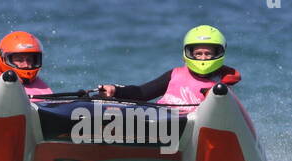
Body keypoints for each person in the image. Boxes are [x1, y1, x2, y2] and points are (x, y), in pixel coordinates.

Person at [99, 25, 241, 105]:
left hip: (195, 129)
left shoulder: (223, 86)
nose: (203, 58)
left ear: (219, 53)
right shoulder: (175, 75)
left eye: (208, 53)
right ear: (188, 53)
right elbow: (142, 93)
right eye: (198, 53)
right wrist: (115, 90)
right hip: (163, 123)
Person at [0, 30, 53, 98]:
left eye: (29, 60)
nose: (26, 65)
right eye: (19, 60)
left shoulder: (42, 88)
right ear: (4, 59)